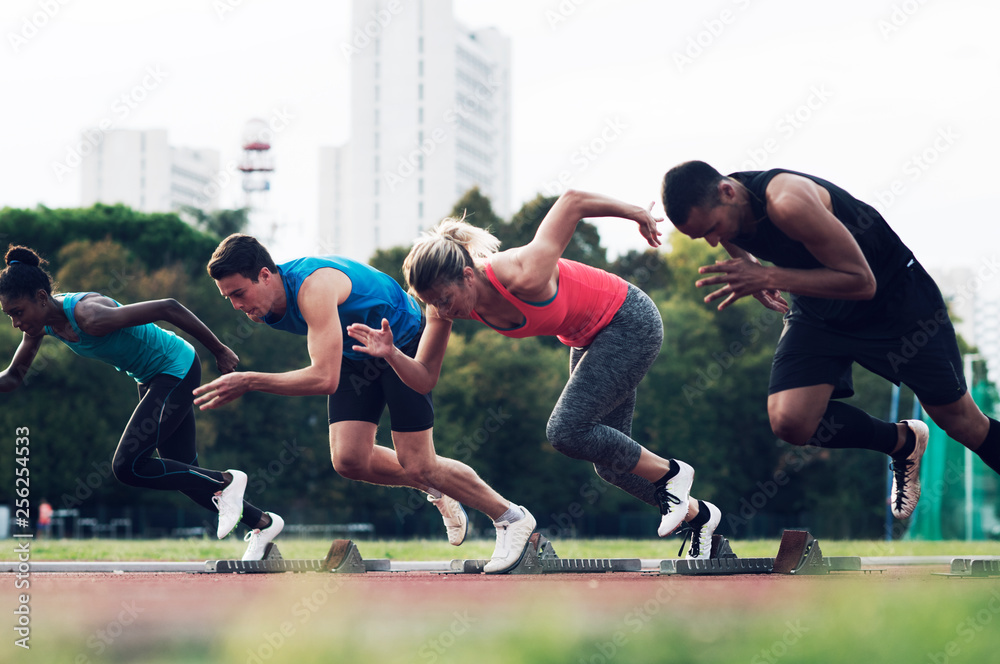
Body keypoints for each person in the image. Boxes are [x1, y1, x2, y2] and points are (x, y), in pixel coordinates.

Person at [346, 189, 723, 560]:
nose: (442, 310)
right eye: (431, 303)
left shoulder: (521, 272)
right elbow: (425, 378)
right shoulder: (441, 309)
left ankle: (672, 473)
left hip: (628, 321)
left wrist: (636, 213)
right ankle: (700, 517)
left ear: (467, 276)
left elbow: (573, 201)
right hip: (590, 339)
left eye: (445, 299)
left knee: (566, 430)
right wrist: (392, 354)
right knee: (611, 465)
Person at [661, 161, 1000, 520]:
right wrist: (751, 271)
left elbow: (861, 282)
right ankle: (902, 442)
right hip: (820, 309)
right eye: (704, 237)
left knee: (962, 422)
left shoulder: (787, 201)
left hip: (895, 304)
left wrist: (765, 275)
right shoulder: (726, 208)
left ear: (728, 191)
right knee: (790, 421)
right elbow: (734, 240)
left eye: (713, 229)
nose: (715, 240)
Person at [196, 235, 536, 574]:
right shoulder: (266, 307)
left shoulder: (313, 289)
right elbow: (328, 363)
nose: (237, 306)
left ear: (266, 275)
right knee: (349, 460)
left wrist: (250, 380)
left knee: (419, 463)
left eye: (239, 293)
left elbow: (323, 379)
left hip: (399, 341)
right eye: (228, 298)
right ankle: (437, 487)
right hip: (356, 353)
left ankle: (510, 517)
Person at [0, 245, 282, 560]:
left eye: (18, 313)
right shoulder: (43, 325)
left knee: (128, 465)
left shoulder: (89, 315)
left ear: (41, 297)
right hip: (151, 379)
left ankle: (227, 480)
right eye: (10, 315)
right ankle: (263, 523)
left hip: (175, 368)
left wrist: (219, 349)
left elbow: (169, 307)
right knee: (185, 475)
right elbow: (12, 378)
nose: (15, 323)